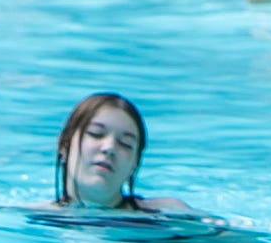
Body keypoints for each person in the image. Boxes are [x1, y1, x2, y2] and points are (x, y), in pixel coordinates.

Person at [53, 92, 195, 215]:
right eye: (96, 134)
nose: (109, 148)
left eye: (125, 144)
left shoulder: (168, 213)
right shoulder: (41, 217)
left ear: (135, 164)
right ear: (64, 145)